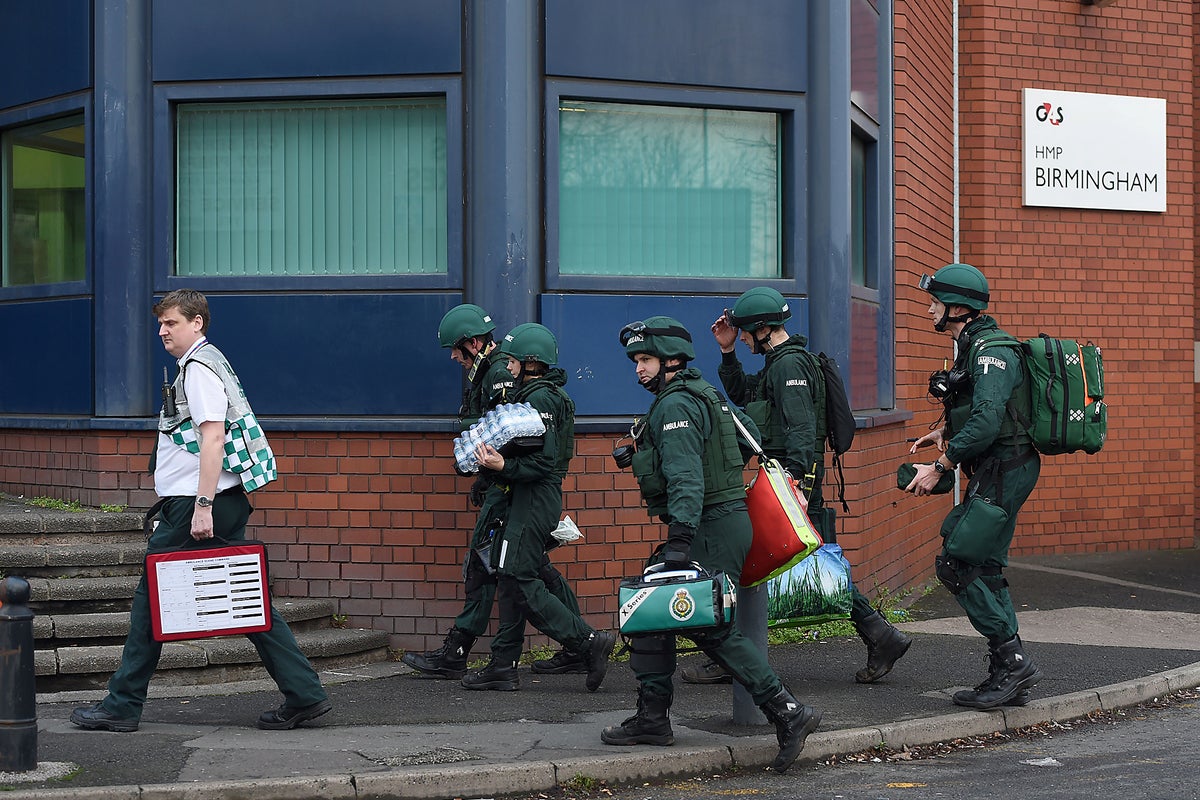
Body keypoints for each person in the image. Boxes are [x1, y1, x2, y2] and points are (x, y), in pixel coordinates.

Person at [70, 289, 331, 732]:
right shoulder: (205, 363)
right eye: (160, 324)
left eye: (171, 322)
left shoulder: (200, 369)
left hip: (196, 504)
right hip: (206, 501)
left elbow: (214, 439)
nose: (162, 331)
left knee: (149, 602)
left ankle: (122, 704)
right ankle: (305, 695)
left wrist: (203, 506)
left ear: (197, 323)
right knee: (249, 603)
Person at [602, 316, 819, 774]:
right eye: (637, 360)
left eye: (645, 360)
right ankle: (652, 718)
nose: (638, 369)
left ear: (671, 360)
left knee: (709, 625)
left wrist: (680, 540)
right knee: (649, 611)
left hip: (709, 526)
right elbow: (749, 438)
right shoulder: (705, 395)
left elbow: (685, 478)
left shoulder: (676, 404)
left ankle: (788, 712)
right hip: (716, 521)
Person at [687, 286, 911, 686]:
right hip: (785, 478)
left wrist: (796, 486)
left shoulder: (790, 366)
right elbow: (744, 395)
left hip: (789, 480)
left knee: (753, 558)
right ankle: (881, 634)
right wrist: (726, 352)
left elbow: (802, 429)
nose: (741, 337)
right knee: (810, 561)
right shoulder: (779, 363)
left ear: (760, 329)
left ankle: (730, 656)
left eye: (743, 332)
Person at [404, 306, 587, 681]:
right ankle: (578, 644)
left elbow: (510, 435)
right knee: (528, 567)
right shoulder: (490, 371)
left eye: (455, 349)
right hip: (506, 484)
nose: (454, 357)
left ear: (472, 343)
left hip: (513, 488)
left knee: (487, 564)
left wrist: (492, 477)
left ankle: (461, 650)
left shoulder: (502, 374)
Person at [905, 263, 1042, 709]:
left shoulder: (989, 352)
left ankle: (1012, 663)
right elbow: (983, 416)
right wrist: (943, 434)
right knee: (981, 565)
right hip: (998, 467)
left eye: (935, 302)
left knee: (958, 562)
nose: (929, 310)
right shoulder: (971, 345)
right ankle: (1011, 667)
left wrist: (940, 466)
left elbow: (987, 422)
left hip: (1006, 469)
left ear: (958, 307)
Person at [459, 323, 615, 692]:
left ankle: (587, 642)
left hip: (533, 498)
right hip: (523, 497)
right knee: (510, 575)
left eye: (512, 361)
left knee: (518, 577)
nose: (507, 367)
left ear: (530, 363)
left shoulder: (542, 399)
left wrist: (502, 467)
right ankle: (502, 665)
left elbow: (543, 463)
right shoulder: (536, 393)